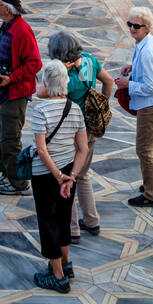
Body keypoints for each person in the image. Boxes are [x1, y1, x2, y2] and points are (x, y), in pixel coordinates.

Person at [47, 30, 114, 239]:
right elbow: (109, 81)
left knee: (66, 177)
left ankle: (72, 228)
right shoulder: (90, 60)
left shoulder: (63, 74)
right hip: (90, 129)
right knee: (83, 175)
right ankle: (92, 221)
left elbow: (46, 93)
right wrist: (102, 103)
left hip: (71, 131)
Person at [28, 59, 88, 293]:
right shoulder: (74, 108)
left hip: (46, 174)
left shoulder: (40, 109)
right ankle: (66, 262)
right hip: (69, 169)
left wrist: (58, 175)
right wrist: (71, 176)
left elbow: (41, 150)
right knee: (63, 217)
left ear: (45, 82)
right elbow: (83, 148)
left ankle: (58, 275)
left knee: (48, 221)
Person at [0, 0, 42, 196]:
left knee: (10, 139)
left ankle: (19, 182)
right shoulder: (6, 27)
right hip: (0, 92)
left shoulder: (22, 31)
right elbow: (6, 54)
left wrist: (12, 78)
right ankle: (6, 173)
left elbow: (35, 63)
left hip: (14, 94)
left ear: (6, 8)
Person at [114, 5, 153, 207]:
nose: (131, 29)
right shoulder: (147, 43)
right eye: (129, 24)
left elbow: (149, 87)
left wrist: (127, 84)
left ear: (147, 27)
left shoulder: (147, 50)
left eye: (136, 26)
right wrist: (132, 68)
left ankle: (151, 194)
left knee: (144, 149)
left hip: (149, 105)